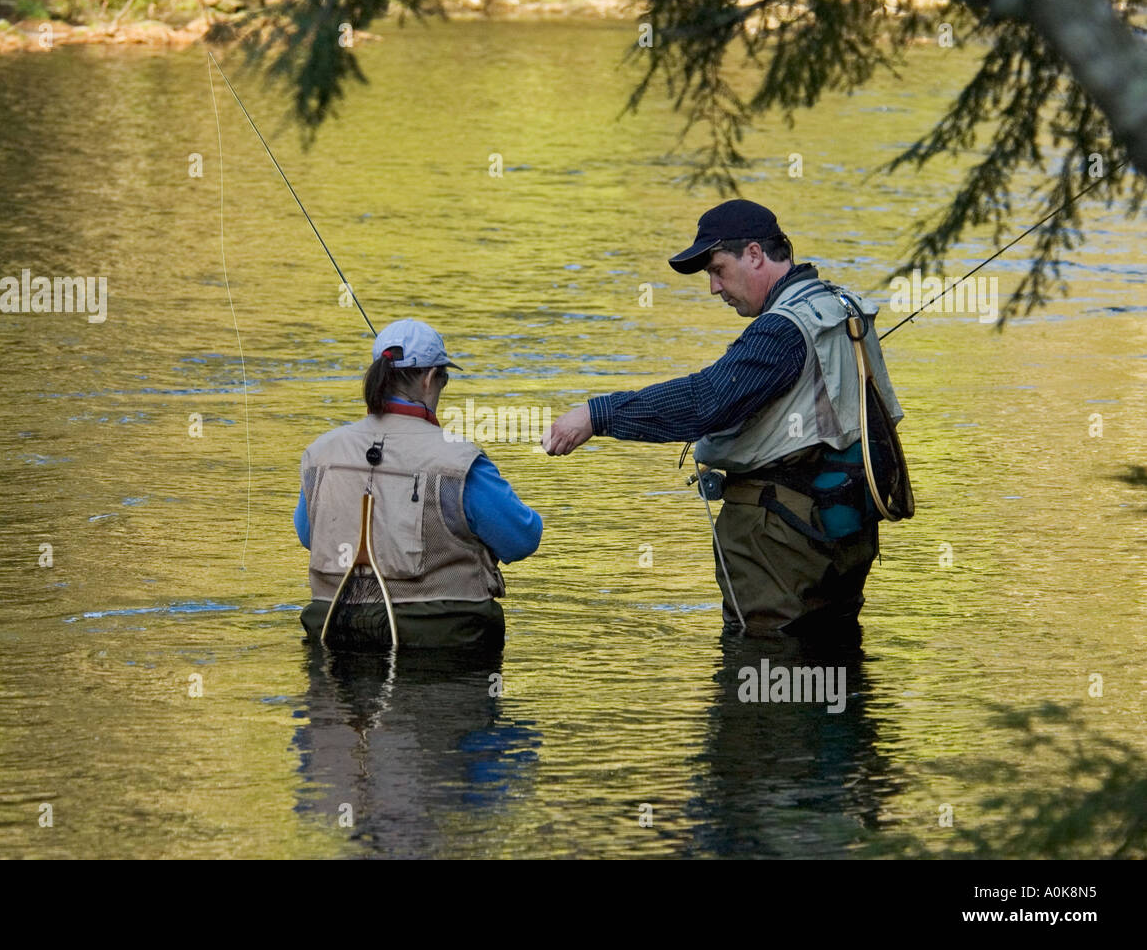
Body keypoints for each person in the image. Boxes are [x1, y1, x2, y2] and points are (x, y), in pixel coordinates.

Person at [542, 199, 906, 641]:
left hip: (785, 544)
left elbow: (705, 401)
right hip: (844, 532)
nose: (714, 288)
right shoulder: (837, 304)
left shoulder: (782, 329)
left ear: (754, 254)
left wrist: (596, 415)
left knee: (764, 669)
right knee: (829, 652)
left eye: (717, 270)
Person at [296, 319, 542, 649]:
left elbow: (308, 534)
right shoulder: (458, 460)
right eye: (444, 379)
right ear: (430, 379)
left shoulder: (319, 453)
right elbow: (522, 538)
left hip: (335, 631)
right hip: (442, 642)